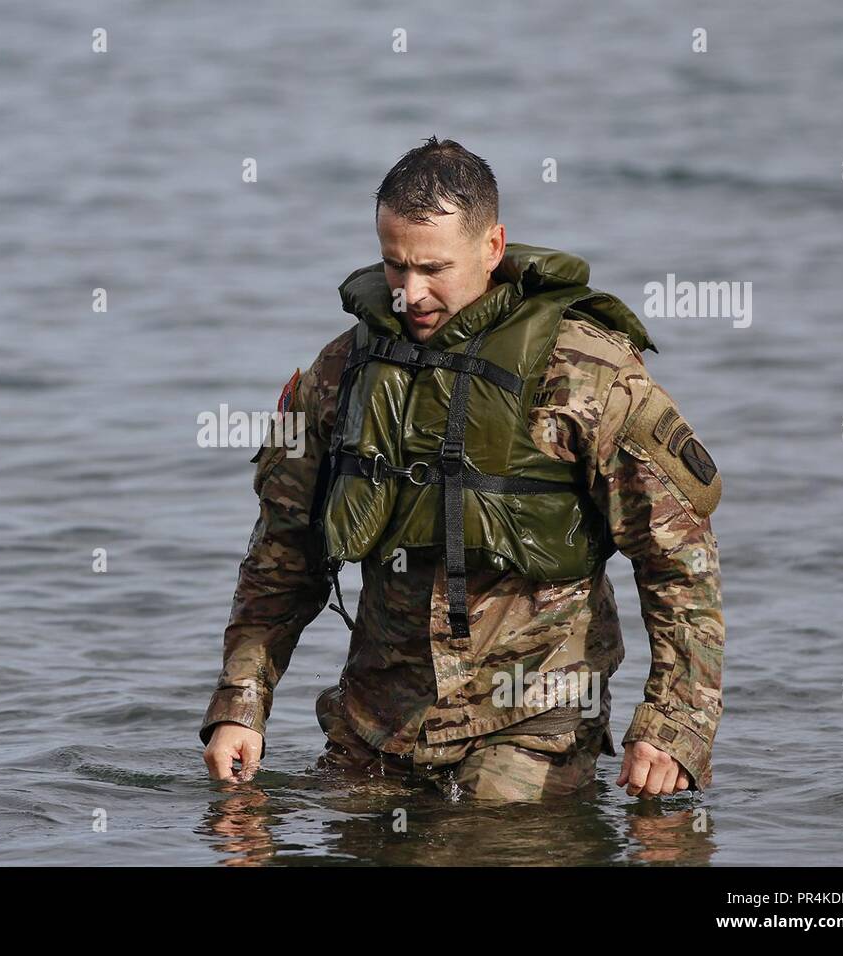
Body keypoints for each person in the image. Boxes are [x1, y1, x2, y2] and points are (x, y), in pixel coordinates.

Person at [199, 137, 724, 802]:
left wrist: (674, 726)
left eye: (433, 269)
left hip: (534, 722)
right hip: (374, 724)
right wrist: (241, 703)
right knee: (244, 823)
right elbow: (282, 554)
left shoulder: (588, 373)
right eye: (394, 267)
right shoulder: (342, 375)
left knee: (485, 833)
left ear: (493, 247)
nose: (410, 293)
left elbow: (679, 561)